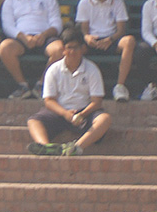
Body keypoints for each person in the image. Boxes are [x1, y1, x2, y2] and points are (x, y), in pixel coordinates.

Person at [26, 28, 112, 156]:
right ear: (64, 50)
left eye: (76, 48)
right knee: (33, 121)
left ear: (82, 49)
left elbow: (97, 102)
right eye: (69, 48)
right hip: (60, 112)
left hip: (85, 113)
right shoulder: (53, 70)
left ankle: (76, 148)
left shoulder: (92, 69)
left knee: (105, 119)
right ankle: (46, 147)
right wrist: (66, 114)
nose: (72, 52)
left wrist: (82, 114)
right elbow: (49, 101)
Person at [0, 0, 63, 100]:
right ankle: (23, 86)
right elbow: (8, 26)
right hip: (20, 40)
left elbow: (57, 24)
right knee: (4, 48)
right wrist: (23, 37)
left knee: (59, 49)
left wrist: (43, 35)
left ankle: (42, 85)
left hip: (44, 38)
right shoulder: (10, 1)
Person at [75, 0, 136, 102]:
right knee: (72, 47)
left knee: (130, 41)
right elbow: (84, 29)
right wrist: (87, 37)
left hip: (112, 40)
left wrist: (110, 39)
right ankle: (78, 88)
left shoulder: (118, 2)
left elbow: (121, 30)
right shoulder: (84, 3)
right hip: (92, 41)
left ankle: (120, 86)